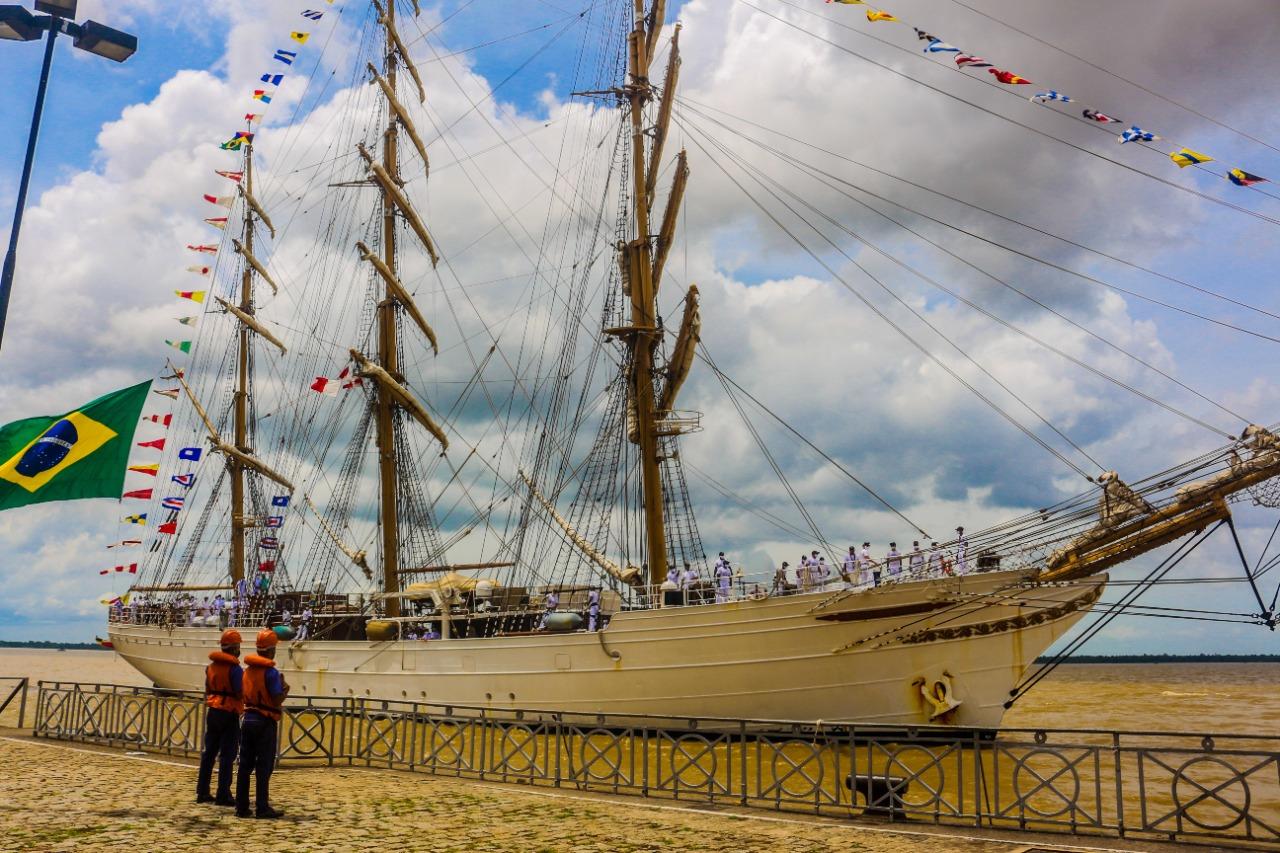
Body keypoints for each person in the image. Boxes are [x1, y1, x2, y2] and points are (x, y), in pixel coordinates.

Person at [237, 629, 289, 819]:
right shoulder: (271, 673)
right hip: (265, 721)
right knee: (264, 766)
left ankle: (241, 807)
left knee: (244, 765)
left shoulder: (247, 671)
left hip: (248, 718)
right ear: (271, 650)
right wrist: (285, 691)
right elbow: (275, 700)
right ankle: (262, 807)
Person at [198, 629, 243, 807]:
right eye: (238, 646)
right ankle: (223, 793)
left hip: (213, 711)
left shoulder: (210, 667)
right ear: (234, 648)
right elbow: (240, 692)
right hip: (229, 712)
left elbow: (208, 688)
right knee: (227, 755)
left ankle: (202, 791)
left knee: (209, 753)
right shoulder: (235, 669)